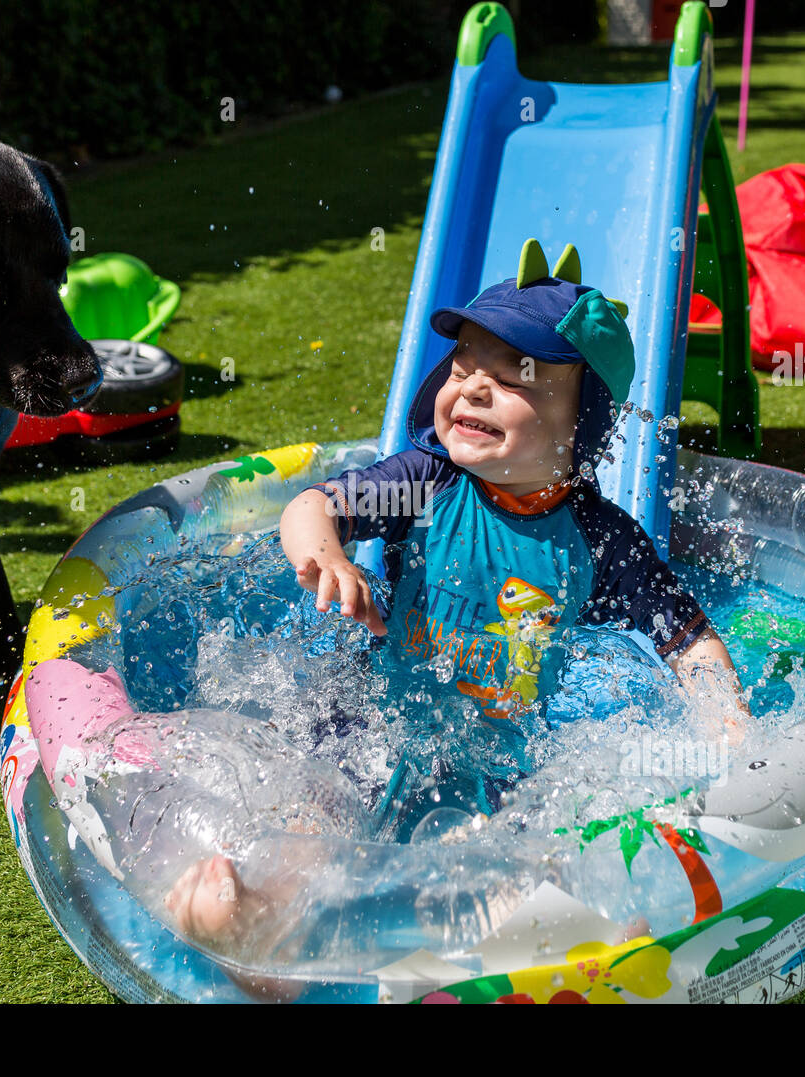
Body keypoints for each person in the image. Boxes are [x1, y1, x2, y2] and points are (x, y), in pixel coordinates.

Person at [167, 239, 750, 957]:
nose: (472, 387)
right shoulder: (429, 481)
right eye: (464, 366)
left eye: (514, 377)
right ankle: (264, 927)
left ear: (583, 423)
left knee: (526, 863)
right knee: (318, 820)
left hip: (495, 768)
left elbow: (688, 641)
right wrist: (327, 559)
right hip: (369, 727)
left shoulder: (601, 540)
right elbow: (309, 507)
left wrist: (727, 729)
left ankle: (568, 945)